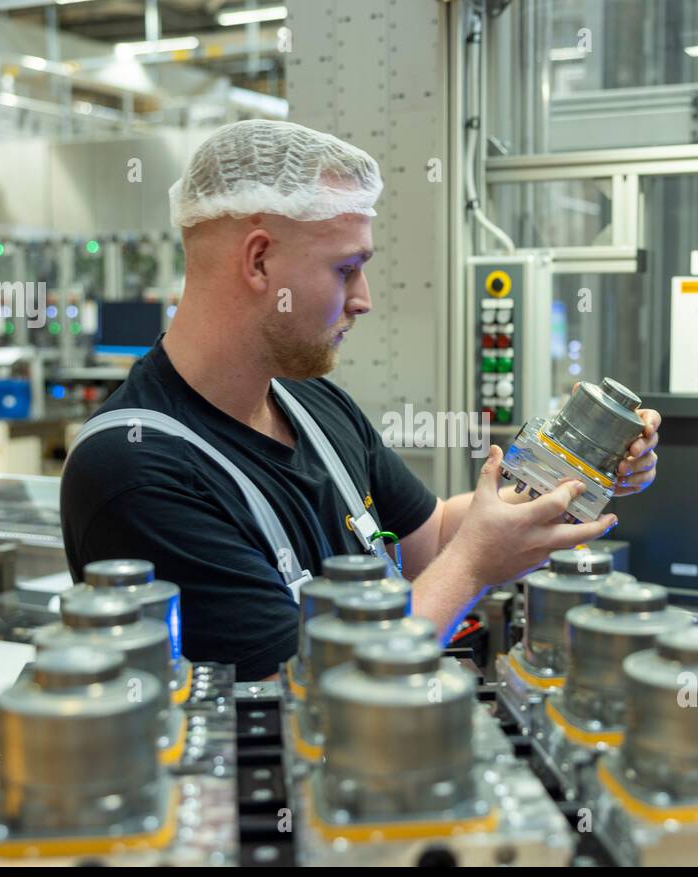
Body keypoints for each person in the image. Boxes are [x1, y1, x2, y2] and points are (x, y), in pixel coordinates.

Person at [60, 119, 660, 681]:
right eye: (346, 268)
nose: (362, 299)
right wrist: (476, 566)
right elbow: (314, 686)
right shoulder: (134, 469)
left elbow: (435, 538)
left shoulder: (315, 406)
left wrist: (571, 475)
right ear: (259, 260)